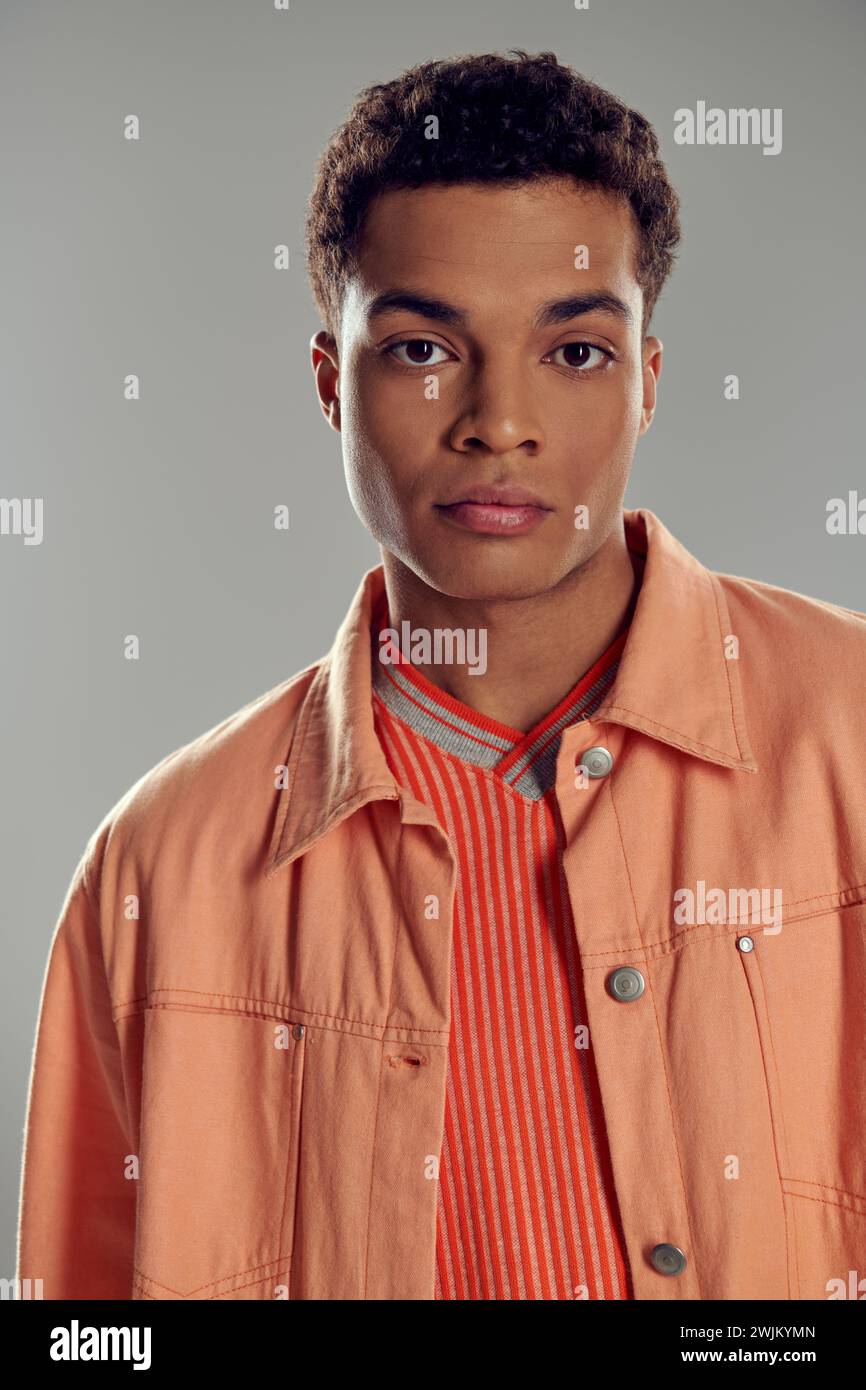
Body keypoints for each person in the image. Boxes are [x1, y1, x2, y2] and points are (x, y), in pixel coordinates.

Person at [17, 49, 866, 1302]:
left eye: (572, 352)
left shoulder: (849, 735)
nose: (496, 422)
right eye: (422, 346)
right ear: (329, 384)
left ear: (644, 381)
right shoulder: (161, 867)